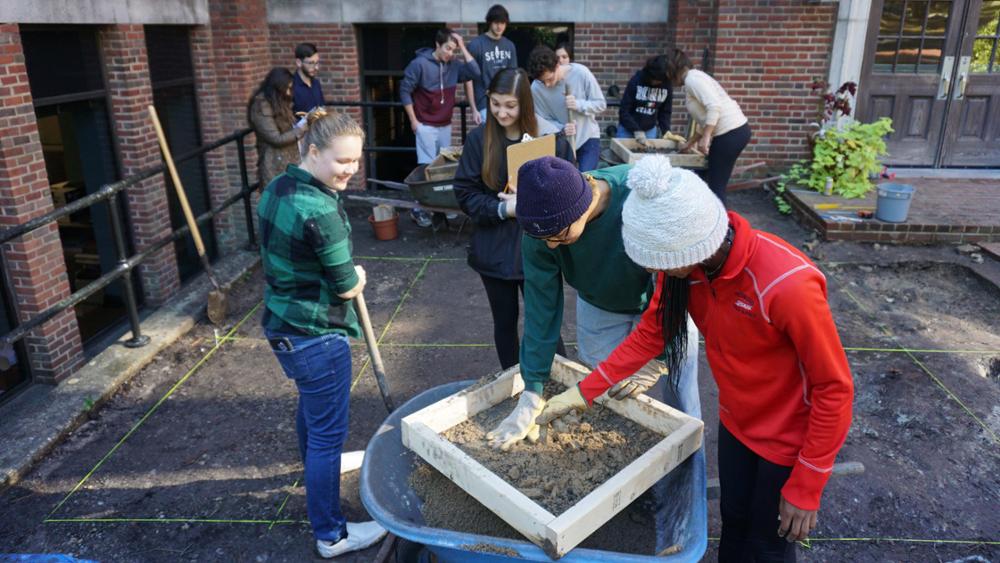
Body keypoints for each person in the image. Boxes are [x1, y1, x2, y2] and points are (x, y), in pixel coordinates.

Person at [537, 156, 854, 561]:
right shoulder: (685, 271)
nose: (651, 269)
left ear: (687, 246)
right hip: (738, 424)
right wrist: (584, 392)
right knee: (734, 524)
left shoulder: (785, 285)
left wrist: (807, 483)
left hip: (788, 441)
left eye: (655, 260)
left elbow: (835, 389)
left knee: (769, 544)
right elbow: (653, 332)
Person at [485, 155, 700, 450]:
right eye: (543, 238)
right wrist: (531, 390)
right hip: (600, 304)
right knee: (611, 400)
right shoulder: (542, 224)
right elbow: (540, 309)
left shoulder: (641, 195)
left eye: (559, 236)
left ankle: (685, 474)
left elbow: (678, 278)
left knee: (680, 396)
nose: (550, 245)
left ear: (582, 208)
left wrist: (658, 359)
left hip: (665, 304)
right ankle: (627, 472)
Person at [258, 110, 388, 559]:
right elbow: (345, 285)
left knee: (313, 415)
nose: (351, 169)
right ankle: (332, 534)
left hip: (281, 324)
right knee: (329, 436)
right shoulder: (320, 211)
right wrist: (359, 276)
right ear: (313, 151)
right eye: (342, 161)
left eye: (356, 160)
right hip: (316, 333)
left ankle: (312, 470)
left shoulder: (278, 188)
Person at [454, 68, 574, 371]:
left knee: (545, 322)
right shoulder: (478, 139)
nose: (501, 112)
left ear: (525, 104)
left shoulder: (550, 139)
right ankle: (511, 383)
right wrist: (503, 209)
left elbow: (573, 188)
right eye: (495, 103)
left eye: (510, 105)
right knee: (504, 324)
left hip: (538, 249)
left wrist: (535, 200)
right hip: (494, 251)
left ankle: (557, 381)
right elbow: (465, 193)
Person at [401, 28, 481, 227]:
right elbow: (404, 91)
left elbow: (475, 71)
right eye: (448, 48)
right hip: (425, 125)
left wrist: (462, 46)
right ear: (437, 45)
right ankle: (420, 210)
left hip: (445, 124)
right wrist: (414, 121)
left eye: (453, 49)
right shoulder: (419, 64)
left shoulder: (453, 64)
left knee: (444, 167)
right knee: (427, 166)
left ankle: (442, 205)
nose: (450, 53)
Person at [665, 47, 751, 206]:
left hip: (730, 133)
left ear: (673, 70)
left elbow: (714, 106)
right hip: (735, 132)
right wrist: (690, 143)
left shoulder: (692, 80)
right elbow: (706, 119)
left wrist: (706, 138)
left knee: (715, 187)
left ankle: (722, 228)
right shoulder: (694, 78)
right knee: (706, 178)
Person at [528, 45, 606, 172]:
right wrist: (561, 128)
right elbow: (542, 119)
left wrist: (578, 104)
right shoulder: (536, 88)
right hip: (562, 143)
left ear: (557, 65)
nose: (547, 85)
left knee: (586, 179)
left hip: (588, 137)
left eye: (550, 79)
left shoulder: (581, 73)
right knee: (567, 184)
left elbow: (600, 104)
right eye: (543, 82)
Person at [248, 67, 307, 190]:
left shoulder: (277, 100)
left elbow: (285, 126)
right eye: (286, 89)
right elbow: (275, 138)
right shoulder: (261, 106)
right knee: (280, 200)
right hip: (274, 162)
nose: (289, 92)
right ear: (277, 88)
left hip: (288, 160)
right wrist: (300, 130)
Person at [464, 4, 518, 126]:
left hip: (506, 102)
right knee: (489, 142)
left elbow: (514, 77)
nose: (499, 26)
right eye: (496, 22)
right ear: (489, 22)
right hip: (484, 104)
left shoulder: (509, 46)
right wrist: (473, 109)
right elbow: (468, 80)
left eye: (503, 23)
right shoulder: (476, 45)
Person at [617, 55, 673, 144]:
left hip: (650, 130)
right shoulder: (636, 81)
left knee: (647, 157)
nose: (655, 82)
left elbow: (665, 112)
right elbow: (624, 111)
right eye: (654, 79)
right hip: (627, 130)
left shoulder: (666, 85)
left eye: (658, 80)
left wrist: (666, 131)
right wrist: (636, 130)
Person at [292, 42, 325, 115]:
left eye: (317, 63)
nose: (316, 67)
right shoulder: (290, 86)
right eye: (311, 63)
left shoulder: (316, 83)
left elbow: (322, 108)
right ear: (299, 63)